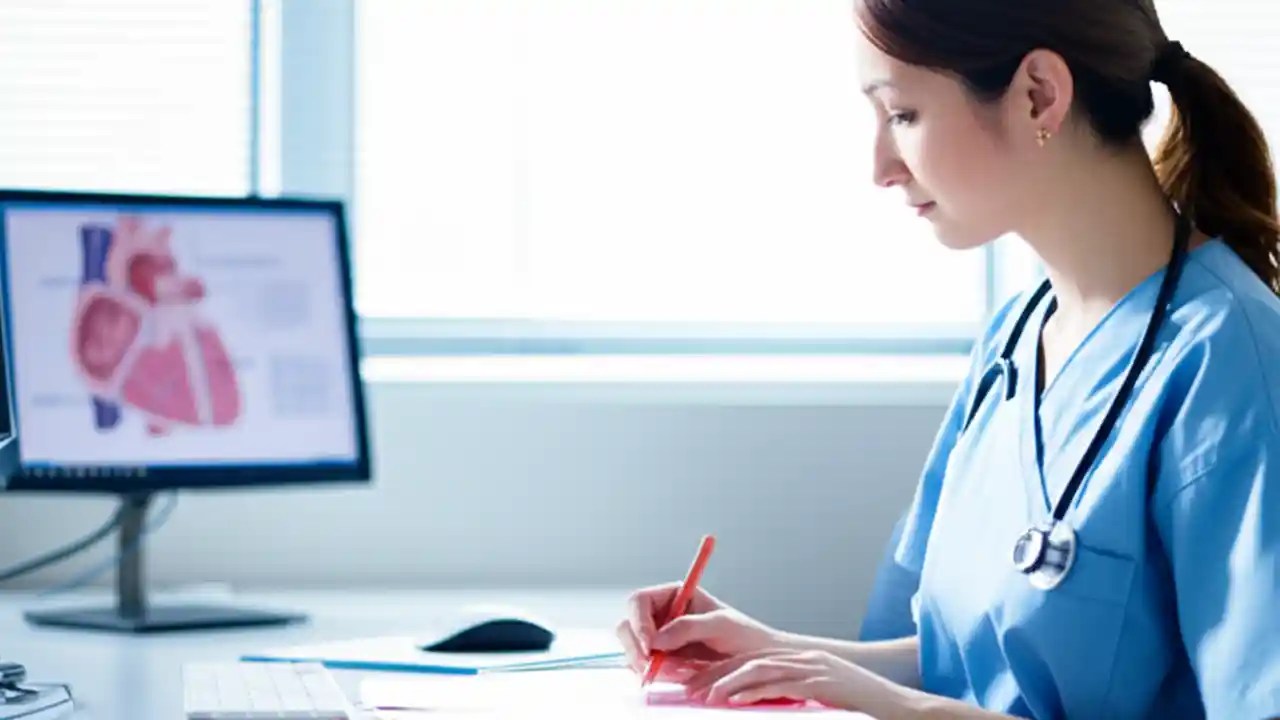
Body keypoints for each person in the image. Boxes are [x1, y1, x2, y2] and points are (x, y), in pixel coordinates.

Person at [616, 1, 1280, 718]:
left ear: (1038, 96)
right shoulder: (1018, 338)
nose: (879, 167)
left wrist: (910, 712)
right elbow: (962, 658)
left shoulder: (1234, 367)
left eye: (901, 114)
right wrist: (771, 650)